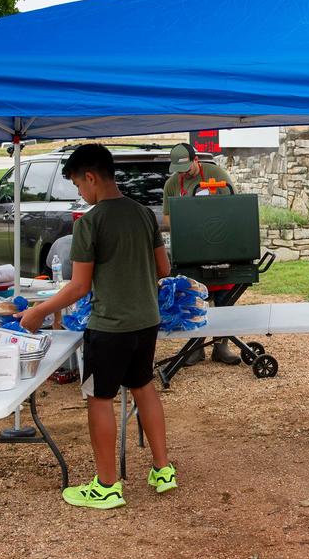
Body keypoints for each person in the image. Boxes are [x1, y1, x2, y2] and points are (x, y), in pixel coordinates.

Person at [17, 144, 177, 509]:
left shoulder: (90, 222)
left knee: (99, 398)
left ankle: (106, 485)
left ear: (90, 177)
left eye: (77, 185)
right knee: (144, 387)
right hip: (146, 321)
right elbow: (164, 270)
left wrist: (38, 312)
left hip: (111, 326)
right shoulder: (142, 213)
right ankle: (162, 469)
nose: (79, 193)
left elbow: (79, 286)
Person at [161, 142, 239, 365]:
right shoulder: (172, 184)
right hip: (189, 248)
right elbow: (167, 218)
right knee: (193, 297)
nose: (183, 174)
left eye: (186, 169)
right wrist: (187, 222)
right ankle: (196, 347)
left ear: (195, 160)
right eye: (178, 170)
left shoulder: (216, 173)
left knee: (224, 296)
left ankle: (221, 346)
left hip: (218, 245)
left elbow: (232, 206)